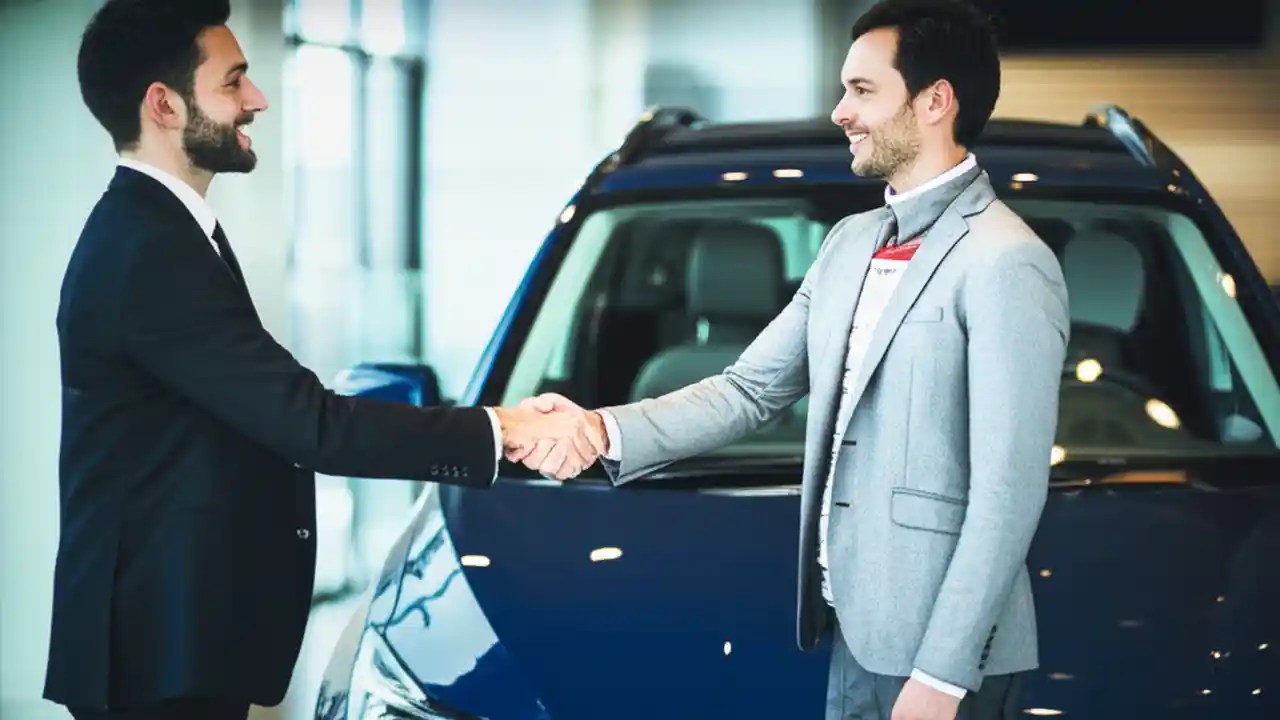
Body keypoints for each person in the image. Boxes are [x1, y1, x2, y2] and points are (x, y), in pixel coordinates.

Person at [510, 0, 1068, 718]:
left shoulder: (1005, 260)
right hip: (855, 633)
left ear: (936, 101)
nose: (840, 111)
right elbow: (748, 390)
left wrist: (943, 676)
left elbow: (1006, 492)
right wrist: (598, 429)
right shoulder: (850, 243)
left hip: (936, 660)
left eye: (863, 90)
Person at [47, 2, 601, 718]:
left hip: (174, 636)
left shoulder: (161, 234)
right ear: (164, 105)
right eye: (233, 82)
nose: (257, 99)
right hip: (158, 648)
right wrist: (505, 428)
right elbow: (310, 423)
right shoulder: (151, 250)